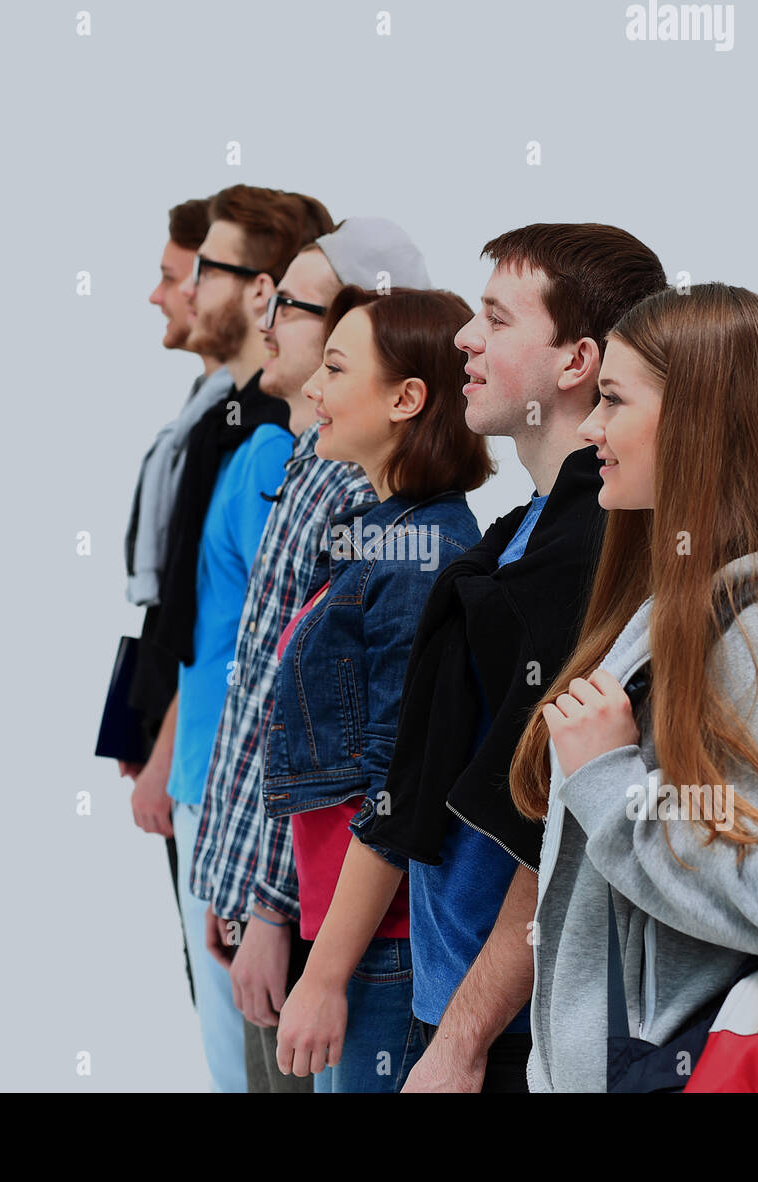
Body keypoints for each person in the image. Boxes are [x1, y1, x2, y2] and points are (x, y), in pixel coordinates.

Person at [509, 283, 758, 1092]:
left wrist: (612, 785)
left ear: (698, 421)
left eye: (615, 400)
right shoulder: (675, 604)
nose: (591, 426)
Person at [353, 224, 667, 1092]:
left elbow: (554, 836)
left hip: (505, 1035)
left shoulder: (596, 557)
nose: (465, 336)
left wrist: (459, 1043)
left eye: (495, 319)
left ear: (576, 363)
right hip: (454, 1003)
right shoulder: (522, 533)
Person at [190, 218, 433, 1093]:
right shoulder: (306, 462)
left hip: (307, 916)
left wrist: (268, 905)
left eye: (293, 306)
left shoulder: (356, 494)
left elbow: (329, 742)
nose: (269, 318)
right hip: (266, 888)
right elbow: (261, 689)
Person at [128, 184, 335, 1091]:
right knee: (233, 1055)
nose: (171, 291)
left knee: (249, 1058)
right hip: (213, 783)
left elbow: (280, 654)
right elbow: (208, 620)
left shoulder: (265, 449)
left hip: (233, 790)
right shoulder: (237, 433)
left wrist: (265, 885)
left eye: (198, 269)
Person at [263, 286, 492, 1090]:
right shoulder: (384, 532)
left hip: (379, 951)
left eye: (333, 367)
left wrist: (325, 977)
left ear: (407, 398)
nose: (314, 389)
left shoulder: (420, 555)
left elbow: (398, 786)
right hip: (351, 941)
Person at [120, 197, 229, 1010]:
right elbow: (171, 601)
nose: (157, 296)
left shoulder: (238, 427)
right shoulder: (202, 413)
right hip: (180, 739)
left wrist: (161, 749)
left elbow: (225, 619)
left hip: (202, 759)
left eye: (169, 277)